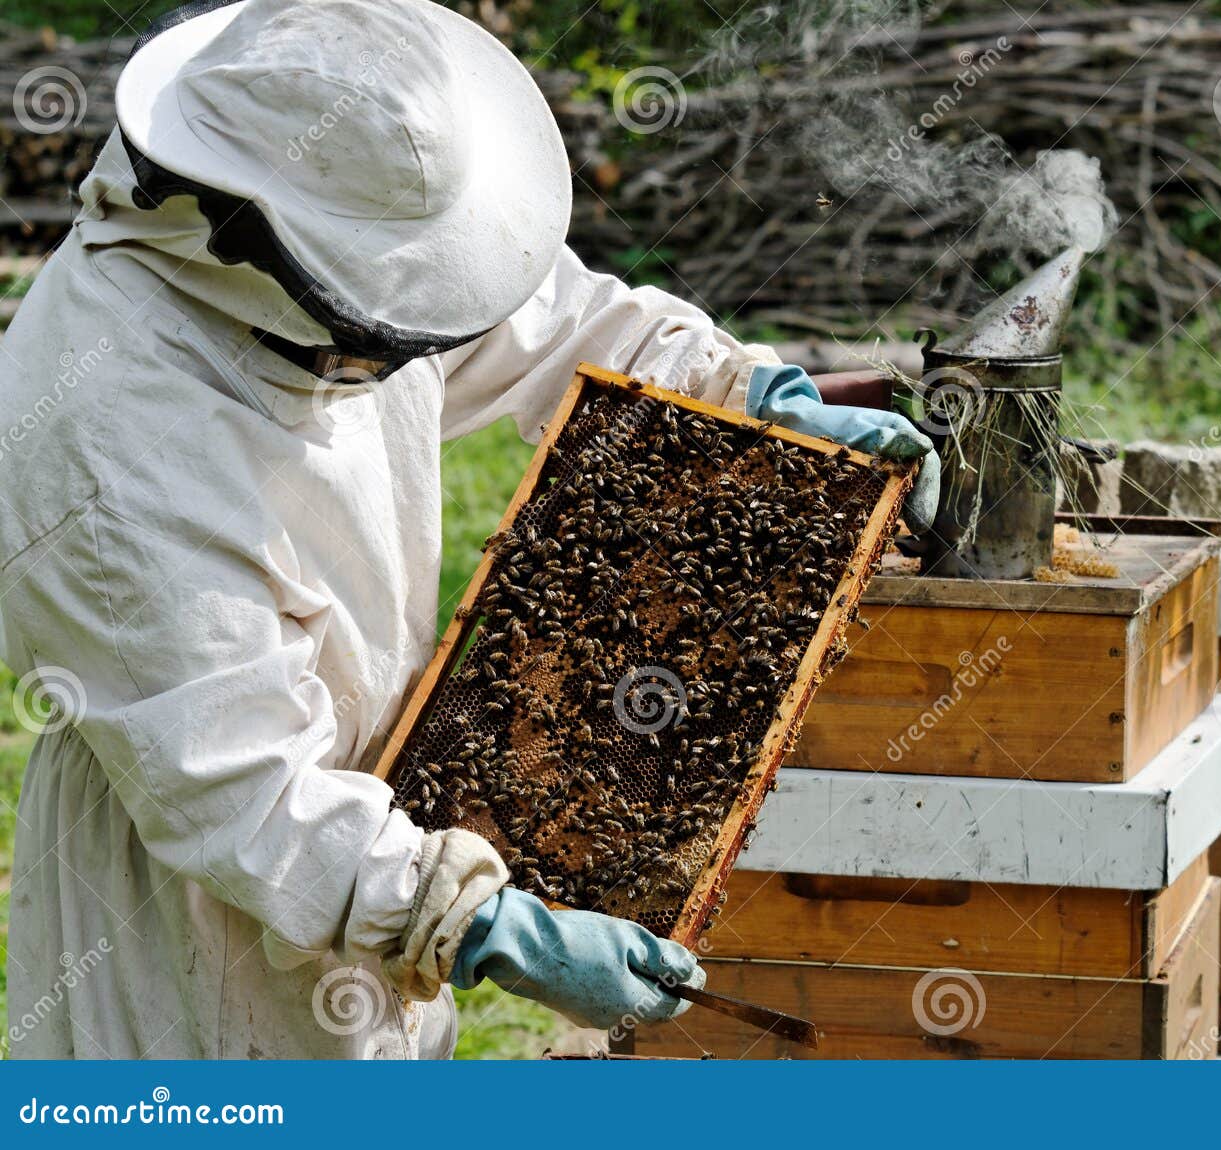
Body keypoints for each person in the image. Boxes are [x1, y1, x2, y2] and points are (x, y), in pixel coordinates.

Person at [0, 0, 934, 1059]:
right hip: (189, 906)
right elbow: (243, 792)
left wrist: (751, 394)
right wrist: (473, 918)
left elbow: (540, 322)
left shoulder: (318, 243)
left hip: (371, 820)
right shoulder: (99, 435)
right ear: (257, 248)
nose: (398, 348)